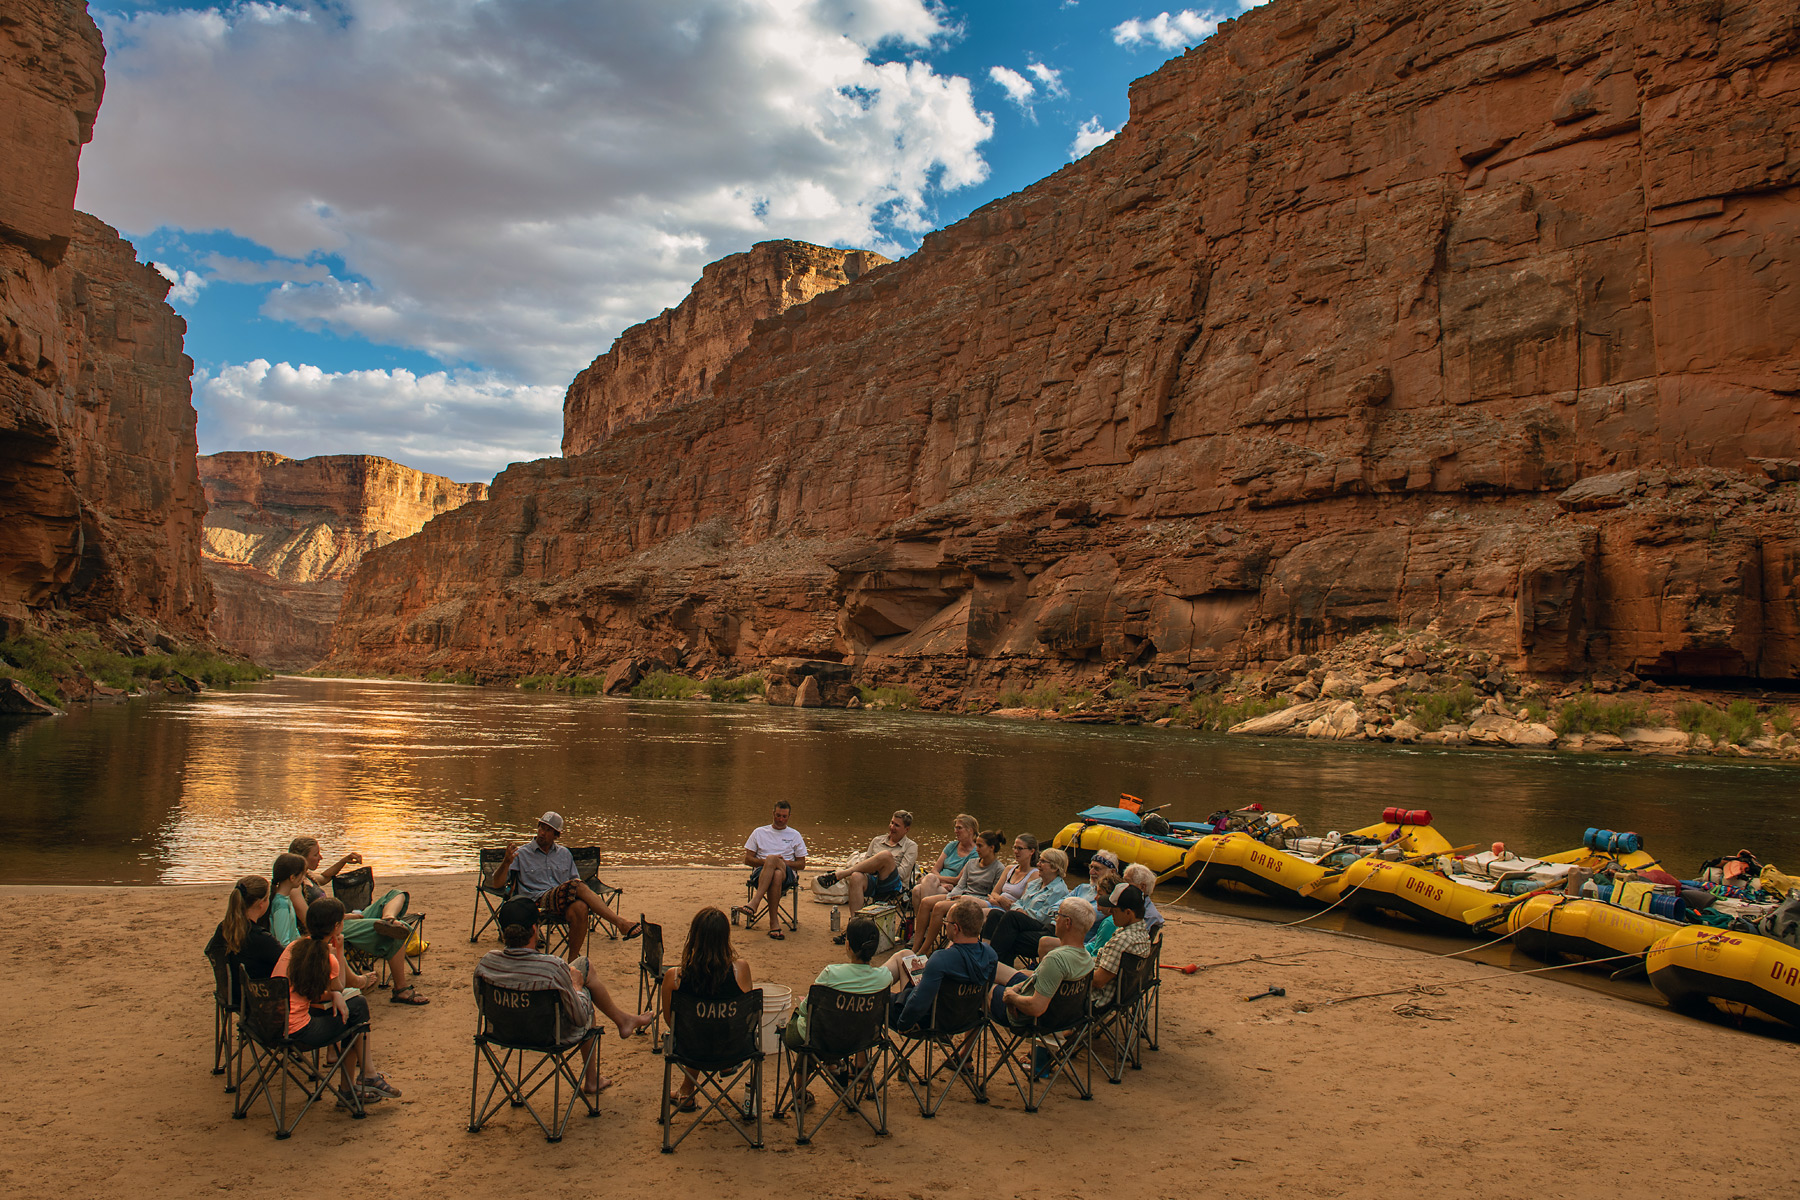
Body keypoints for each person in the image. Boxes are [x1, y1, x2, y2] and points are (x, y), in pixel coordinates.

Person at [475, 897, 655, 1096]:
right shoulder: (552, 967)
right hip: (549, 1035)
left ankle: (623, 1021)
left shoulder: (487, 963)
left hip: (502, 1030)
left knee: (583, 964)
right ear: (534, 929)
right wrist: (576, 987)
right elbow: (580, 1017)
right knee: (585, 991)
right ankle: (592, 1078)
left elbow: (482, 1006)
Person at [270, 898, 400, 1104]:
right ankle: (360, 1079)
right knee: (357, 1009)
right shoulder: (326, 957)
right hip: (297, 1032)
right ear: (337, 926)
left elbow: (307, 992)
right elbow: (341, 986)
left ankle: (362, 1079)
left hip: (270, 1026)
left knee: (352, 1009)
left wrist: (330, 995)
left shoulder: (293, 948)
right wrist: (339, 950)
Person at [287, 840, 430, 1005]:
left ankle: (387, 919)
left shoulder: (308, 877)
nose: (320, 857)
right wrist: (346, 917)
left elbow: (325, 877)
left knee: (397, 894)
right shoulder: (295, 887)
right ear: (302, 859)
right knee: (397, 932)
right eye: (316, 854)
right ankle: (401, 990)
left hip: (341, 920)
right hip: (333, 927)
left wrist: (344, 860)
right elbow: (311, 922)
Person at [488, 812, 642, 960]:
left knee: (581, 907)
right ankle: (620, 923)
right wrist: (506, 863)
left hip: (560, 901)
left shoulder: (564, 854)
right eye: (541, 827)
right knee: (578, 886)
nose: (542, 833)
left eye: (548, 830)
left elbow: (573, 884)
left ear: (556, 835)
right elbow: (496, 883)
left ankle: (572, 961)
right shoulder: (521, 853)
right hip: (534, 902)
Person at [783, 916, 893, 1107]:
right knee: (841, 1023)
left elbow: (806, 1009)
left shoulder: (831, 973)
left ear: (848, 945)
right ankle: (834, 1064)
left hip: (824, 1039)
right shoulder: (885, 978)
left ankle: (801, 1092)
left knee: (807, 1032)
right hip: (862, 1039)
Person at [660, 907, 756, 1112]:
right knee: (712, 1027)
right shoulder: (740, 969)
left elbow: (671, 1022)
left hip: (691, 1047)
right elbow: (745, 1015)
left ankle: (686, 1092)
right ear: (726, 938)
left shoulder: (674, 977)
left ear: (694, 937)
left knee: (697, 1028)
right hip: (732, 1047)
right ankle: (718, 1070)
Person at [992, 896, 1096, 1079]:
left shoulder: (1056, 959)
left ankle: (963, 1057)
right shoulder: (1087, 959)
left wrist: (1011, 996)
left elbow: (1036, 1007)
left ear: (1068, 923)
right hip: (1065, 1016)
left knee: (984, 987)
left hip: (1031, 1020)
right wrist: (1018, 987)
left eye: (1058, 915)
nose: (1055, 920)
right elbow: (1042, 981)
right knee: (998, 969)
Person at [890, 896, 997, 1034]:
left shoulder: (941, 959)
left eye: (947, 921)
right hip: (967, 1019)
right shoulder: (990, 955)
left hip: (932, 1024)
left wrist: (903, 1024)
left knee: (881, 1001)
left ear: (956, 928)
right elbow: (984, 993)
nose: (945, 924)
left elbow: (918, 1004)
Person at [911, 829, 1005, 953]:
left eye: (980, 846)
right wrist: (952, 896)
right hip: (961, 895)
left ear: (991, 848)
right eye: (976, 845)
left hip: (975, 902)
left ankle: (924, 950)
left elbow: (991, 897)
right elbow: (960, 885)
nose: (976, 849)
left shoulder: (999, 869)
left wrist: (962, 899)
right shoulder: (971, 863)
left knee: (939, 907)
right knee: (926, 902)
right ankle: (915, 946)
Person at [815, 809, 919, 917]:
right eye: (891, 823)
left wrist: (881, 865)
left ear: (906, 829)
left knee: (886, 856)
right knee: (856, 876)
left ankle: (841, 874)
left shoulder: (911, 846)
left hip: (893, 886)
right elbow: (865, 864)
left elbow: (902, 874)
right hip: (873, 880)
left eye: (896, 825)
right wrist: (874, 867)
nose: (892, 827)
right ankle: (855, 922)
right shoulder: (877, 840)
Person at [983, 848, 1072, 965]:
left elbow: (1043, 917)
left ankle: (991, 963)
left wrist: (1021, 913)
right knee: (995, 914)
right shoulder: (1035, 883)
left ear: (1054, 868)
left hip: (1040, 927)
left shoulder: (1058, 890)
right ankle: (986, 953)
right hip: (1021, 920)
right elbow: (1019, 902)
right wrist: (1019, 910)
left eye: (1043, 862)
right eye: (1039, 861)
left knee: (1011, 918)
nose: (1038, 864)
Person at [738, 800, 807, 940]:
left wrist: (783, 862)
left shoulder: (794, 835)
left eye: (784, 816)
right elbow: (747, 860)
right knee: (775, 873)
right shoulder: (759, 832)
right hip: (762, 873)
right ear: (773, 813)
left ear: (789, 817)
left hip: (787, 873)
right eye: (778, 815)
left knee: (774, 861)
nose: (780, 819)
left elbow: (801, 864)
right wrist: (767, 862)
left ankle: (755, 902)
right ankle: (773, 924)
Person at [205, 875, 284, 988]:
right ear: (261, 903)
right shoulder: (262, 939)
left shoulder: (224, 928)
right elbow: (287, 963)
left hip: (232, 993)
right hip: (258, 995)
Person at [1091, 884, 1153, 1006]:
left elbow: (1098, 981)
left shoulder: (1123, 941)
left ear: (1128, 912)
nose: (1110, 912)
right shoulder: (1143, 934)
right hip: (1126, 994)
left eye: (1114, 910)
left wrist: (1074, 972)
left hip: (1097, 999)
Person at [911, 815, 980, 911]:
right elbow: (935, 869)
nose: (955, 831)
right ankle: (924, 919)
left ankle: (925, 917)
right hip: (939, 884)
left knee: (920, 887)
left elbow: (958, 880)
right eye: (955, 828)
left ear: (970, 831)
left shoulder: (976, 852)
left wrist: (937, 879)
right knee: (916, 890)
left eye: (959, 828)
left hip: (953, 888)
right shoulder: (951, 846)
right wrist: (940, 882)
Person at [981, 834, 1041, 912]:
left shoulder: (1034, 875)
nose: (1015, 851)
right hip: (995, 904)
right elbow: (994, 893)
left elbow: (1022, 904)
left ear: (1032, 851)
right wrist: (1000, 899)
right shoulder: (1009, 869)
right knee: (967, 900)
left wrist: (996, 902)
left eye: (1020, 848)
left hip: (1009, 911)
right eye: (1014, 847)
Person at [269, 852, 312, 945]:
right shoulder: (281, 904)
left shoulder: (286, 899)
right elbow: (282, 941)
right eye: (302, 875)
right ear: (292, 877)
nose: (303, 878)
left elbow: (294, 932)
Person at [1069, 849, 1121, 921]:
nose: (1091, 872)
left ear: (1112, 872)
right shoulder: (1082, 888)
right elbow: (1057, 905)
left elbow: (1083, 918)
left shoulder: (1110, 899)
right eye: (1091, 867)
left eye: (1097, 868)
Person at [1121, 863, 1165, 933]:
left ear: (1142, 887)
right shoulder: (1128, 904)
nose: (1122, 885)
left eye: (1127, 882)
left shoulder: (1149, 916)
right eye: (1122, 881)